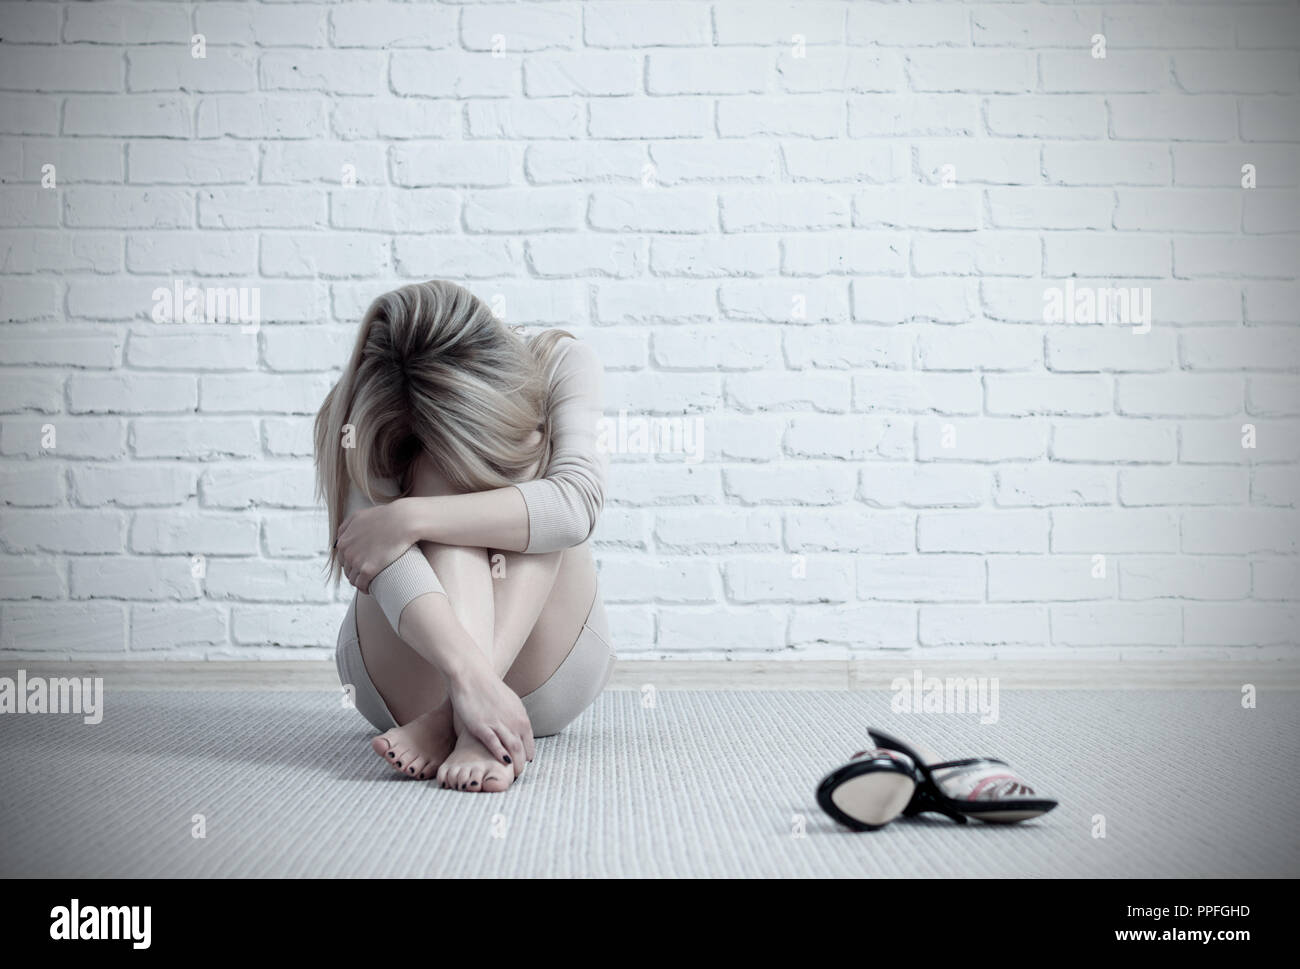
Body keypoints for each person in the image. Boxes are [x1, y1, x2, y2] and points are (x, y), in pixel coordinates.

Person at [314, 280, 614, 793]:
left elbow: (575, 506)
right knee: (441, 469)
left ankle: (455, 715)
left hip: (548, 672)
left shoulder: (561, 361)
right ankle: (475, 698)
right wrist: (466, 675)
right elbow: (383, 562)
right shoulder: (368, 404)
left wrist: (413, 517)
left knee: (535, 471)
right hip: (405, 675)